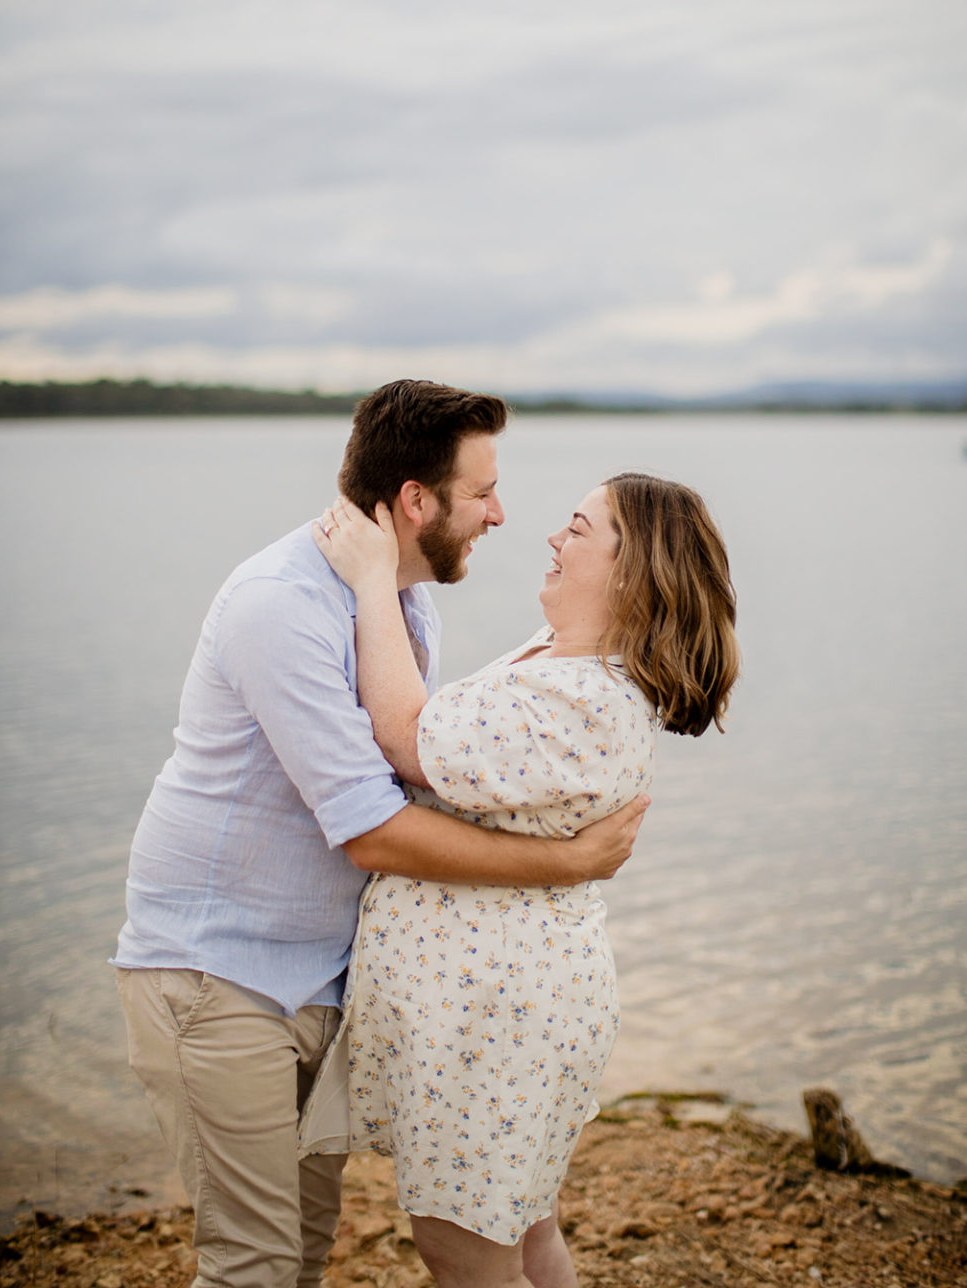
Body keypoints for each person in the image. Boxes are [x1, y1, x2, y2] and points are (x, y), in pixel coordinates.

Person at [111, 380, 648, 1288]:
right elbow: (372, 829)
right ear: (415, 501)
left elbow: (421, 768)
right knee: (252, 1262)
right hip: (218, 969)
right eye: (482, 492)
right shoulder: (280, 603)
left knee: (303, 1252)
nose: (501, 514)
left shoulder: (399, 602)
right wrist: (564, 863)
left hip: (321, 975)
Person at [300, 471, 740, 1288]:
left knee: (469, 1254)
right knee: (526, 1236)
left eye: (578, 529)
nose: (552, 537)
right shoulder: (564, 663)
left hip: (492, 1022)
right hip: (507, 1011)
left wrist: (368, 578)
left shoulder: (581, 698)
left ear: (630, 572)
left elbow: (407, 738)